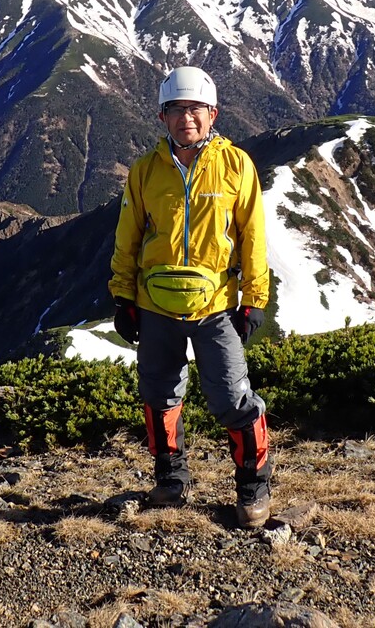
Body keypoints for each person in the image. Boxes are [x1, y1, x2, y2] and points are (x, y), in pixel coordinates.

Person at [108, 65, 273, 527]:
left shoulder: (237, 166)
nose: (187, 118)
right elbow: (128, 237)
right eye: (177, 109)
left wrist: (254, 298)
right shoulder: (144, 172)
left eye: (196, 109)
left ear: (213, 113)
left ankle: (253, 485)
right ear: (162, 117)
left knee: (232, 396)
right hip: (155, 304)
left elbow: (253, 237)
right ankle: (170, 478)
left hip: (215, 306)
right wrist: (123, 296)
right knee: (159, 394)